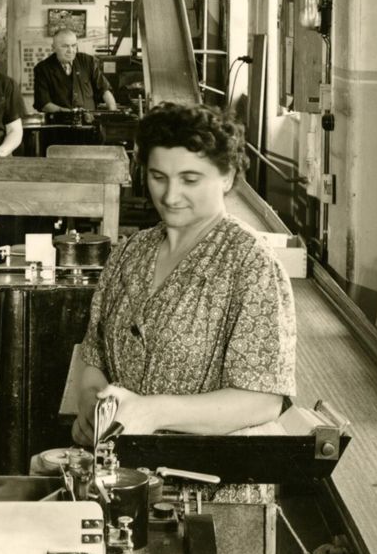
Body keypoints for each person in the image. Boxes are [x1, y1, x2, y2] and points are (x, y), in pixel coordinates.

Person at [73, 102, 295, 444]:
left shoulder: (251, 264)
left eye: (190, 179)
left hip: (210, 483)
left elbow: (264, 399)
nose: (170, 195)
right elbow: (94, 356)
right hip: (121, 469)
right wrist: (90, 407)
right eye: (158, 177)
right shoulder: (131, 252)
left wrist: (154, 411)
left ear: (227, 176)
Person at [33, 28, 118, 115]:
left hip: (90, 122)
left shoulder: (87, 61)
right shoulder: (43, 69)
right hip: (59, 124)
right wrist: (70, 113)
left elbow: (104, 89)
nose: (71, 50)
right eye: (65, 46)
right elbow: (43, 103)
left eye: (74, 45)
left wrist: (113, 112)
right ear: (53, 48)